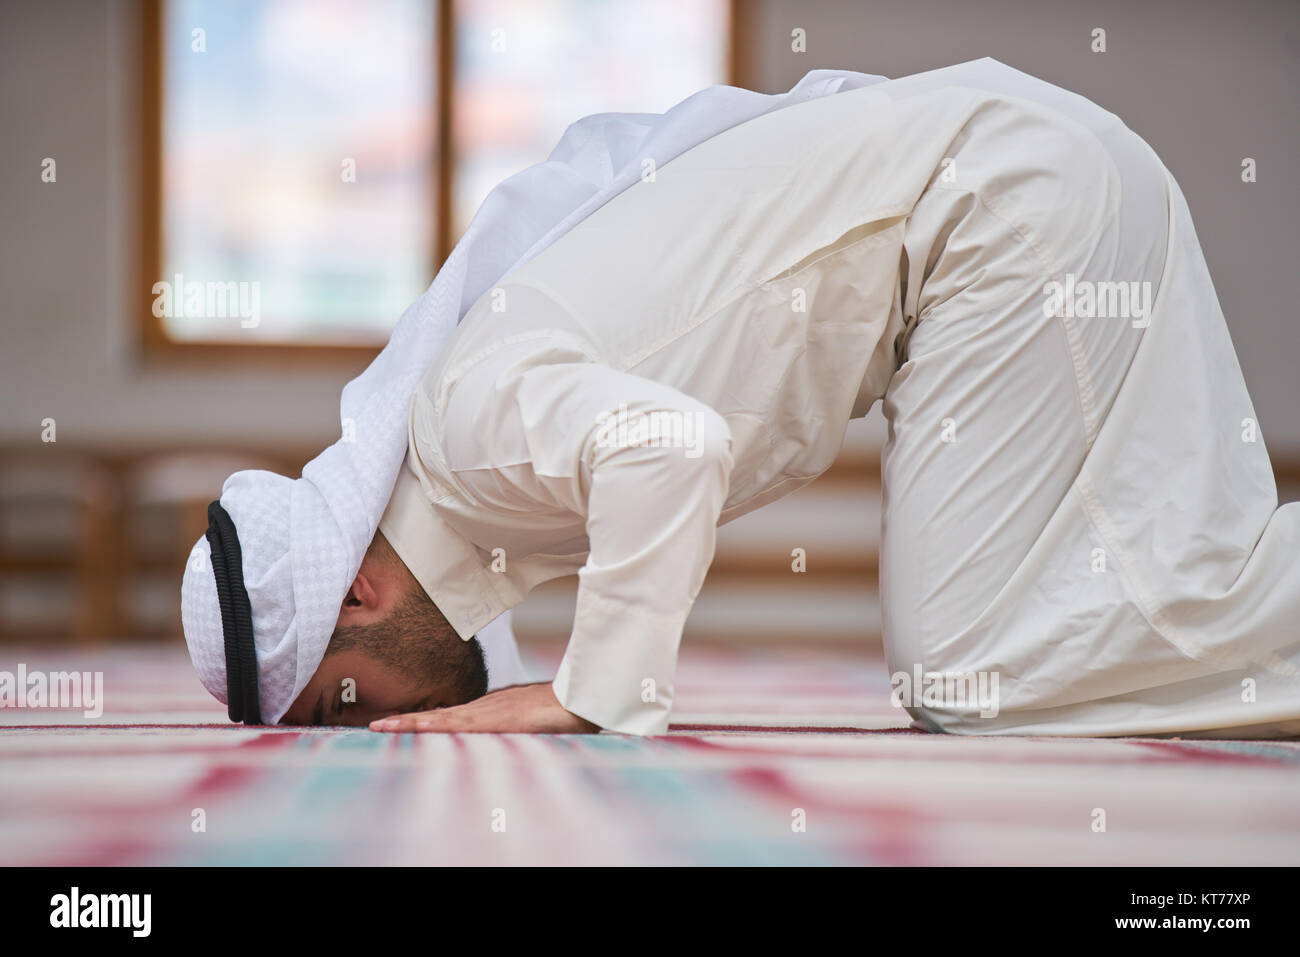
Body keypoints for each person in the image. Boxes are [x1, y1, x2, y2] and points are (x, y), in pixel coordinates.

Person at [183, 59, 1300, 738]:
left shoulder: (459, 430)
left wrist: (591, 694)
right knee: (1100, 602)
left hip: (1003, 210)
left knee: (975, 669)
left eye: (344, 702)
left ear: (357, 597)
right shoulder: (480, 484)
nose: (386, 726)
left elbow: (669, 444)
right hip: (1005, 211)